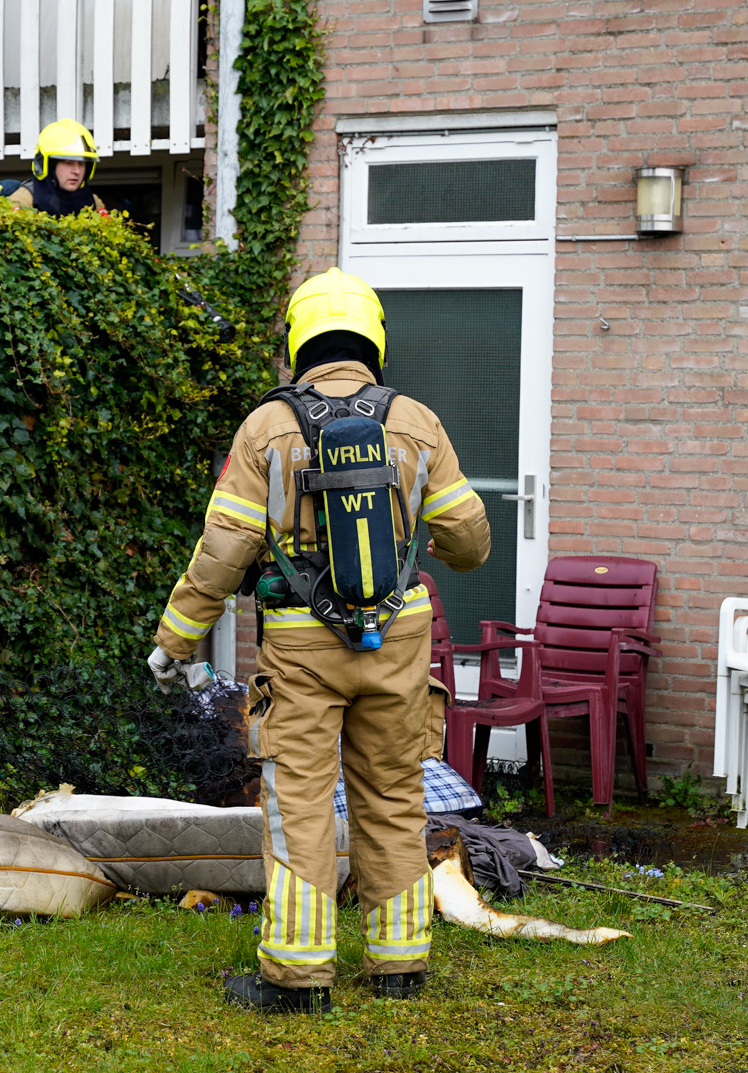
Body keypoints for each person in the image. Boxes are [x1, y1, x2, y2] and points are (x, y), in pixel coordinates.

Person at [147, 267, 492, 1015]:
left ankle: (299, 979)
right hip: (399, 642)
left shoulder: (266, 428)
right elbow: (468, 544)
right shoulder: (416, 422)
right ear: (374, 339)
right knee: (395, 797)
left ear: (297, 340)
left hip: (302, 648)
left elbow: (224, 550)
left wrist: (177, 639)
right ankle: (400, 966)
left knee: (299, 807)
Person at [6, 119, 109, 216]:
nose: (77, 171)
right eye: (68, 163)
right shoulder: (24, 198)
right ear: (49, 165)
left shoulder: (92, 201)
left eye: (81, 164)